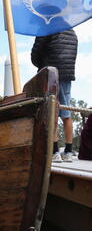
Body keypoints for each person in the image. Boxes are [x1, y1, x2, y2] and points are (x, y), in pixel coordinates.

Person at [31, 28, 78, 163]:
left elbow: (36, 53)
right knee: (66, 112)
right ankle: (68, 151)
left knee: (51, 111)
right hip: (67, 74)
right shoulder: (71, 30)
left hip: (51, 74)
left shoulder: (47, 27)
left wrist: (39, 64)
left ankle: (55, 151)